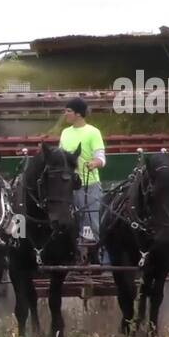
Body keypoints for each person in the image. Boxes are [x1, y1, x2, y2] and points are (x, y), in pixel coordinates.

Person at [59, 97, 107, 264]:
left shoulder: (93, 132)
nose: (65, 114)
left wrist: (95, 163)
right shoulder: (65, 133)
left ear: (78, 114)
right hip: (68, 186)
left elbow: (101, 158)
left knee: (93, 223)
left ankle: (102, 258)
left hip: (89, 184)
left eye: (69, 111)